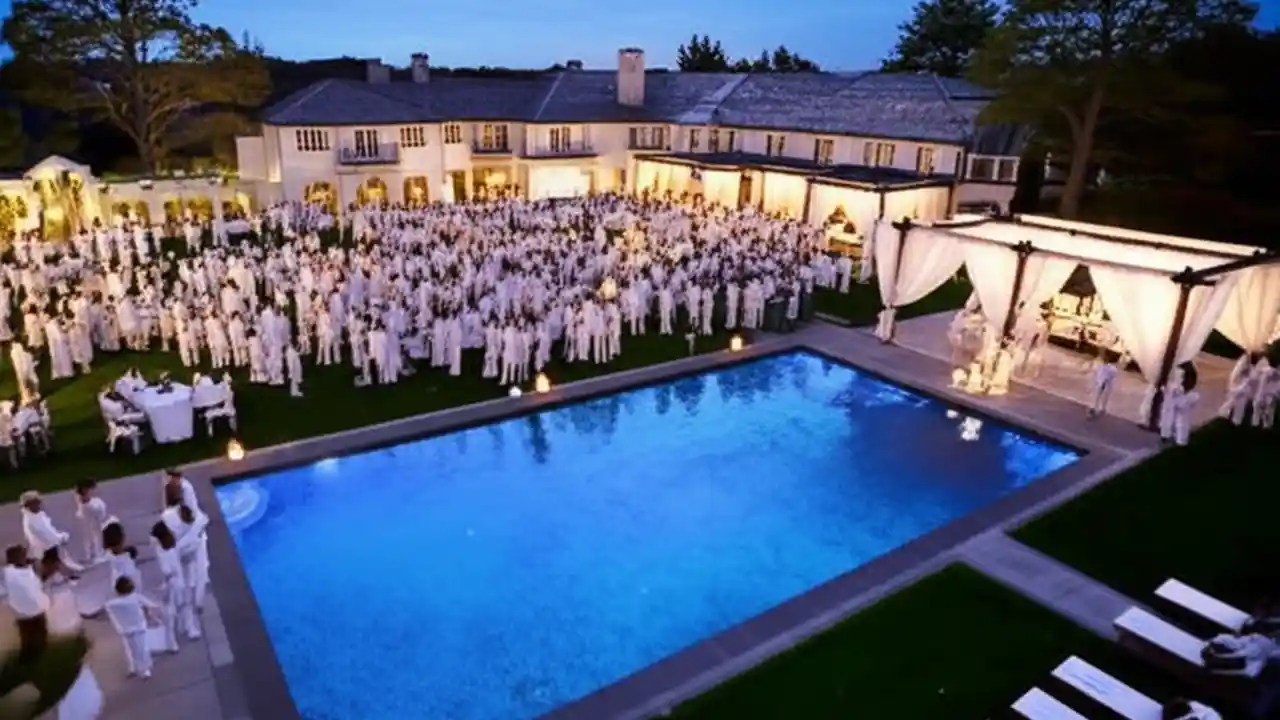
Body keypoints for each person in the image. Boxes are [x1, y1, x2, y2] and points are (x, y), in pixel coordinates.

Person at [103, 576, 161, 679]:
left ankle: (136, 667)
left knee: (132, 649)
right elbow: (152, 605)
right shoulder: (136, 597)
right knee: (142, 648)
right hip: (139, 626)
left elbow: (109, 610)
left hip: (125, 630)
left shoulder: (111, 603)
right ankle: (145, 669)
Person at [150, 522, 199, 641]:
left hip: (175, 581)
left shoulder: (165, 549)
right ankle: (187, 628)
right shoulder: (167, 550)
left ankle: (185, 627)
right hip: (176, 582)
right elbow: (168, 570)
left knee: (180, 605)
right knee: (182, 605)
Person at [3, 544, 49, 663]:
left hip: (27, 613)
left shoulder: (9, 572)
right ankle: (32, 657)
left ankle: (29, 658)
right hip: (35, 611)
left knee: (31, 636)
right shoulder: (21, 571)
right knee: (35, 635)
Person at [20, 490, 82, 572]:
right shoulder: (33, 520)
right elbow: (49, 535)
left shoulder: (36, 515)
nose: (39, 504)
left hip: (46, 547)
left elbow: (49, 530)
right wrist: (62, 537)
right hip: (47, 549)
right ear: (28, 505)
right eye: (36, 502)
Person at [74, 480, 110, 565]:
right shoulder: (89, 503)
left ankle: (89, 554)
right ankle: (96, 555)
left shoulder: (81, 498)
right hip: (91, 518)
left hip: (87, 518)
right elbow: (98, 511)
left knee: (89, 535)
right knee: (94, 534)